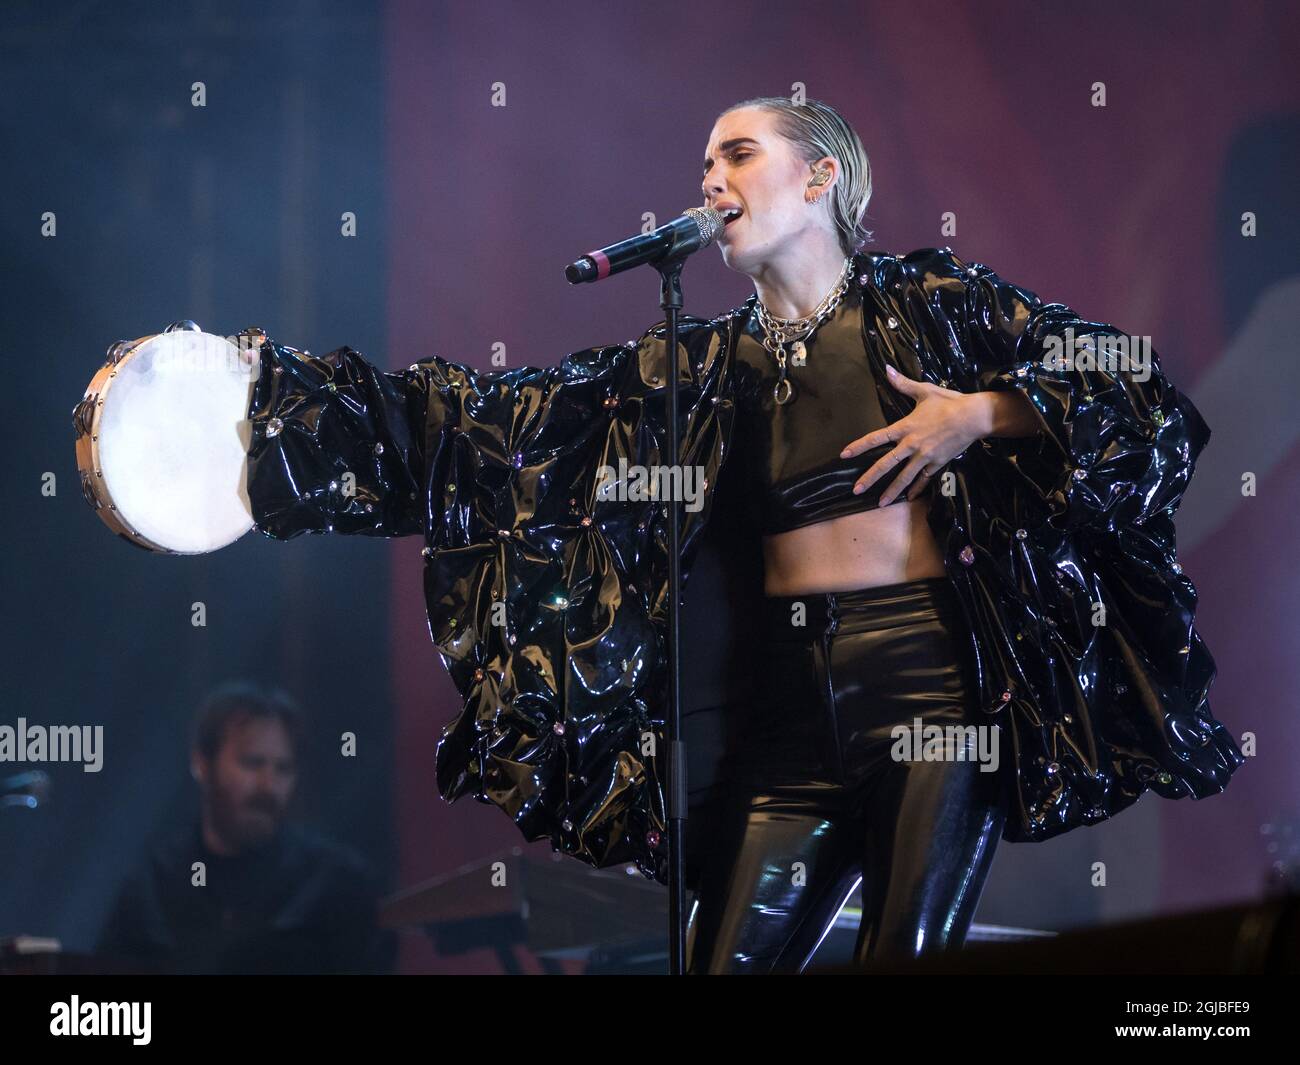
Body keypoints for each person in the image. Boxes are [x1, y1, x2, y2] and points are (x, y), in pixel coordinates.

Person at [238, 98, 1245, 974]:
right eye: (704, 166)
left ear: (819, 177)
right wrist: (279, 403)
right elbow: (505, 427)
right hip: (789, 715)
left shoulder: (933, 306)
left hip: (931, 693)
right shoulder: (700, 365)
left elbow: (1124, 372)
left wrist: (980, 413)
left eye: (737, 155)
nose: (712, 180)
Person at [97, 683, 391, 974]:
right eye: (252, 763)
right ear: (201, 763)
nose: (268, 786)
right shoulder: (153, 883)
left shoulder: (335, 882)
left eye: (283, 768)